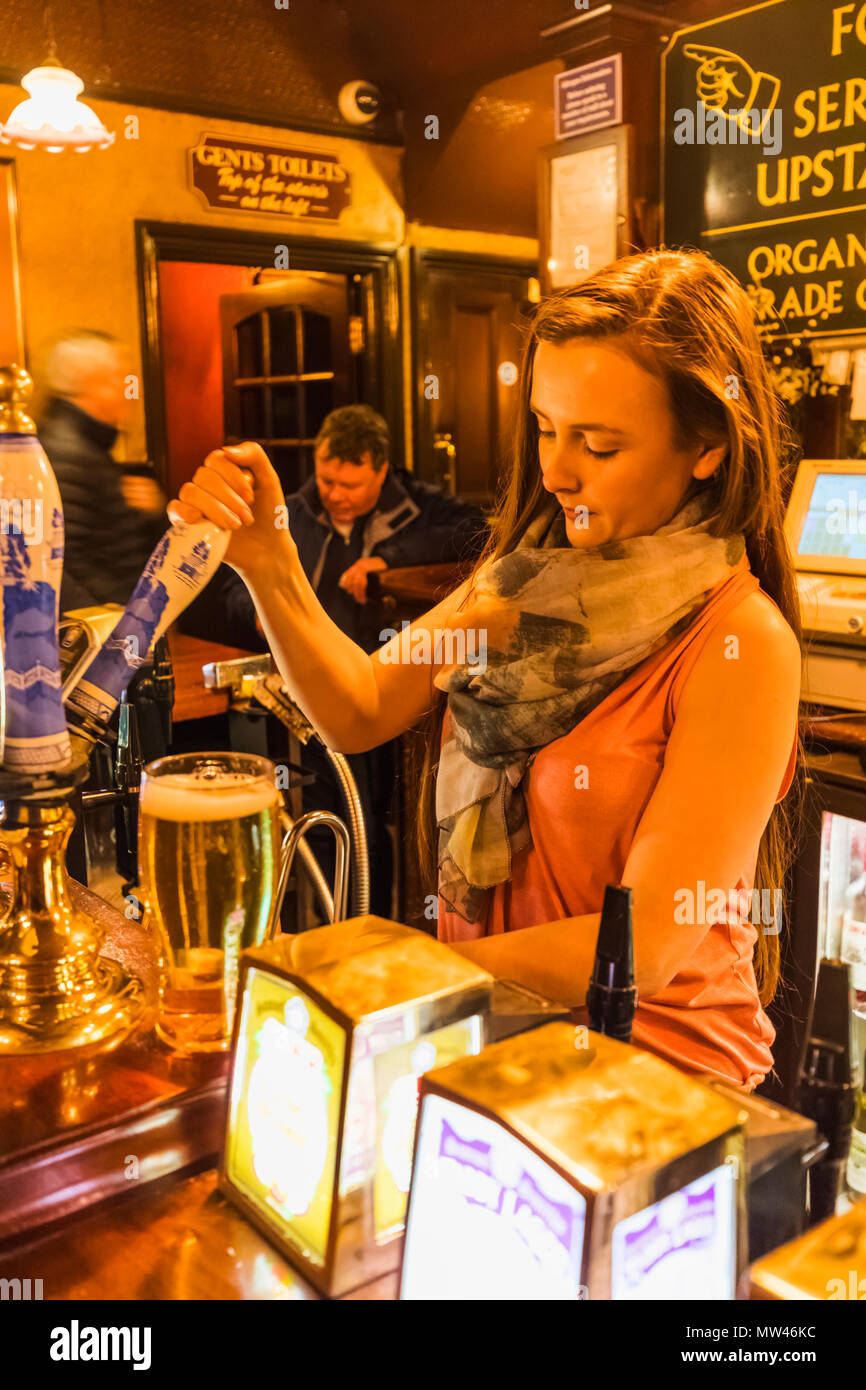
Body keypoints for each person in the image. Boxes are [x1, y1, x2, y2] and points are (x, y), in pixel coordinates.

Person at [168, 249, 802, 1092]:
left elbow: (643, 945)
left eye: (598, 445)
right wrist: (269, 562)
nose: (554, 471)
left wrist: (395, 962)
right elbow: (360, 707)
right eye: (545, 427)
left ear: (708, 448)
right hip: (492, 1048)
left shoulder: (740, 643)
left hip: (658, 1086)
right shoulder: (518, 590)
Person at [187, 403, 487, 919]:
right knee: (329, 813)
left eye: (352, 486)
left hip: (389, 685)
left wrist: (389, 561)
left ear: (381, 472)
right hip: (310, 689)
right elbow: (231, 589)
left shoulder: (418, 505)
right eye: (327, 481)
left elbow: (477, 529)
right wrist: (259, 605)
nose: (336, 495)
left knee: (383, 820)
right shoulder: (293, 511)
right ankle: (332, 922)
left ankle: (378, 922)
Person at [37, 330, 166, 614]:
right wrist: (123, 618)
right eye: (119, 377)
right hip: (105, 628)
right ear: (90, 383)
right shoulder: (69, 451)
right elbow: (64, 560)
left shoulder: (86, 444)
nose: (128, 389)